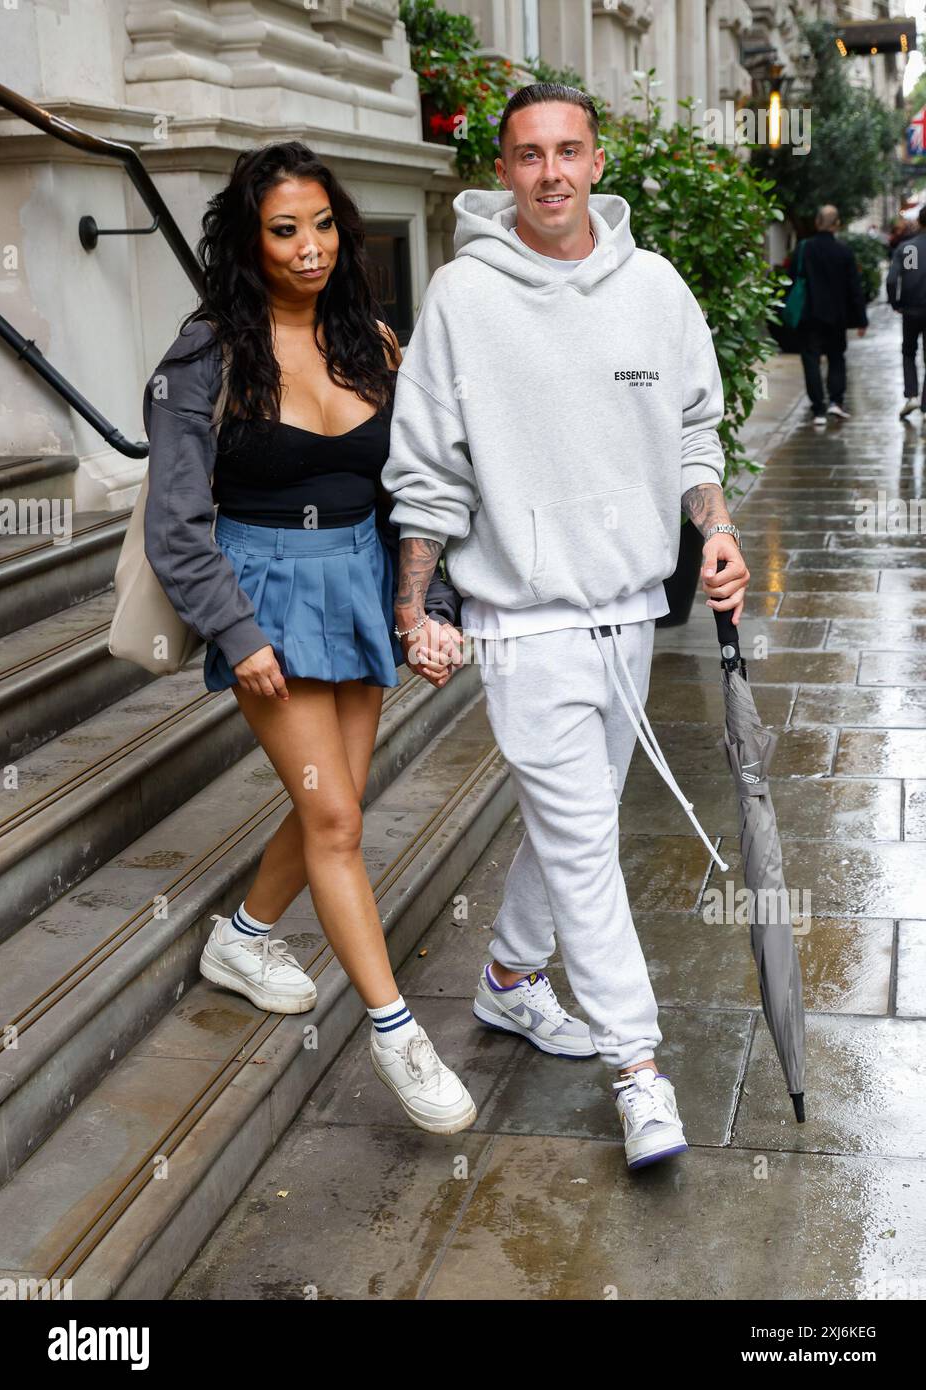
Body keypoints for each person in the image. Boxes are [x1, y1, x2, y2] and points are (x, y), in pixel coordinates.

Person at [381, 83, 750, 1171]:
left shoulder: (656, 288)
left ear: (598, 161)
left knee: (572, 815)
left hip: (633, 607)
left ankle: (506, 977)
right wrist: (415, 600)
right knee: (586, 841)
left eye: (568, 151)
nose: (549, 173)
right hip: (521, 619)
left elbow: (693, 428)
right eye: (527, 155)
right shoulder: (459, 296)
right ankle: (639, 1068)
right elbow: (430, 469)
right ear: (501, 172)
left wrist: (716, 528)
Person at [142, 141, 476, 1136]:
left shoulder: (370, 341)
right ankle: (396, 1033)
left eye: (323, 224)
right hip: (267, 596)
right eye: (284, 230)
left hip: (364, 582)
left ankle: (243, 935)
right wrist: (234, 630)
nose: (309, 247)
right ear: (249, 241)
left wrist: (434, 605)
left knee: (337, 800)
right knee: (334, 819)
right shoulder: (206, 352)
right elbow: (172, 523)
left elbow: (416, 492)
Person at [793, 204, 868, 428]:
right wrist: (861, 319)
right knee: (837, 357)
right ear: (837, 225)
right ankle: (836, 401)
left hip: (809, 314)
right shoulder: (844, 252)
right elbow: (854, 287)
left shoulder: (804, 249)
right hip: (836, 316)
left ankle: (818, 409)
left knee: (811, 360)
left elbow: (791, 278)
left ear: (817, 223)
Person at [887, 204, 926, 420]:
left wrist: (895, 303)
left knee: (909, 352)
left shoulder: (908, 248)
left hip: (911, 307)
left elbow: (893, 279)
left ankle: (911, 394)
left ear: (919, 223)